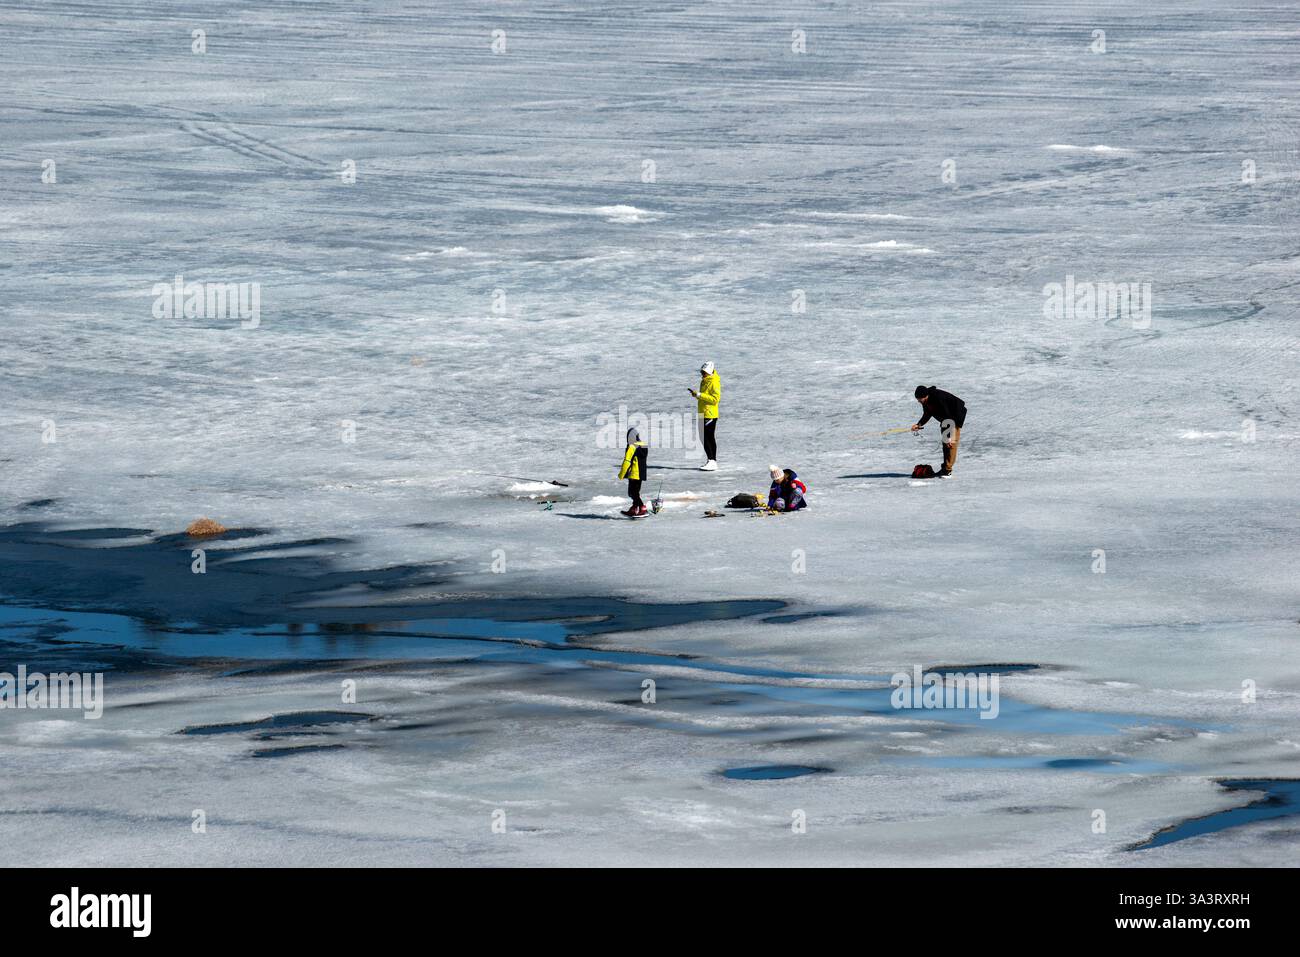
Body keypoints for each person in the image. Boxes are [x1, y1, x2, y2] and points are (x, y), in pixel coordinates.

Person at [910, 385, 966, 476]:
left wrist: (949, 436)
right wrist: (919, 424)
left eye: (919, 399)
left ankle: (948, 470)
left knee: (951, 444)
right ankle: (945, 468)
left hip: (954, 417)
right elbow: (927, 414)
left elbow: (948, 416)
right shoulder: (926, 401)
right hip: (945, 419)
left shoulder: (938, 398)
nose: (918, 401)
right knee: (945, 444)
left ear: (925, 396)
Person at [688, 361, 721, 471]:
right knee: (705, 437)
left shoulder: (714, 382)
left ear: (710, 372)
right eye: (702, 372)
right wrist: (696, 395)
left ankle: (712, 460)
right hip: (703, 412)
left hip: (710, 414)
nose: (702, 374)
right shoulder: (705, 381)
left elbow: (715, 399)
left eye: (704, 372)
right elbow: (704, 397)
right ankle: (711, 460)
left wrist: (700, 395)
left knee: (707, 437)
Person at [618, 426, 648, 516]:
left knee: (632, 493)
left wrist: (621, 474)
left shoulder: (632, 447)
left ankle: (642, 507)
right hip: (641, 474)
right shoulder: (643, 445)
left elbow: (627, 461)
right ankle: (634, 508)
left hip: (634, 474)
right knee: (635, 492)